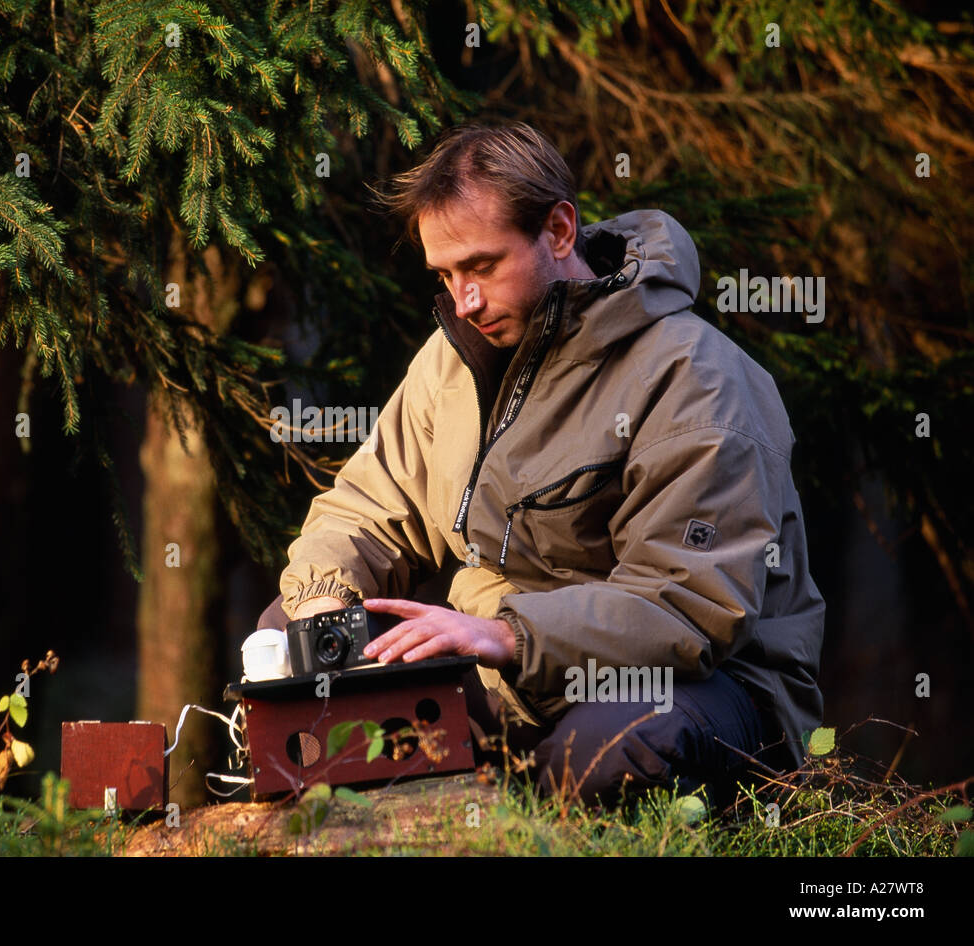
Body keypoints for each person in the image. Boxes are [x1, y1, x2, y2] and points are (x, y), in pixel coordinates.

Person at [258, 121, 825, 808]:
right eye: (445, 274)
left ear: (559, 231)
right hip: (511, 671)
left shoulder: (696, 379)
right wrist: (327, 600)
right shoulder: (454, 360)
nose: (462, 301)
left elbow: (687, 606)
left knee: (611, 751)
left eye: (482, 266)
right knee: (292, 636)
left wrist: (505, 633)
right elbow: (368, 508)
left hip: (701, 688)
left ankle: (516, 800)